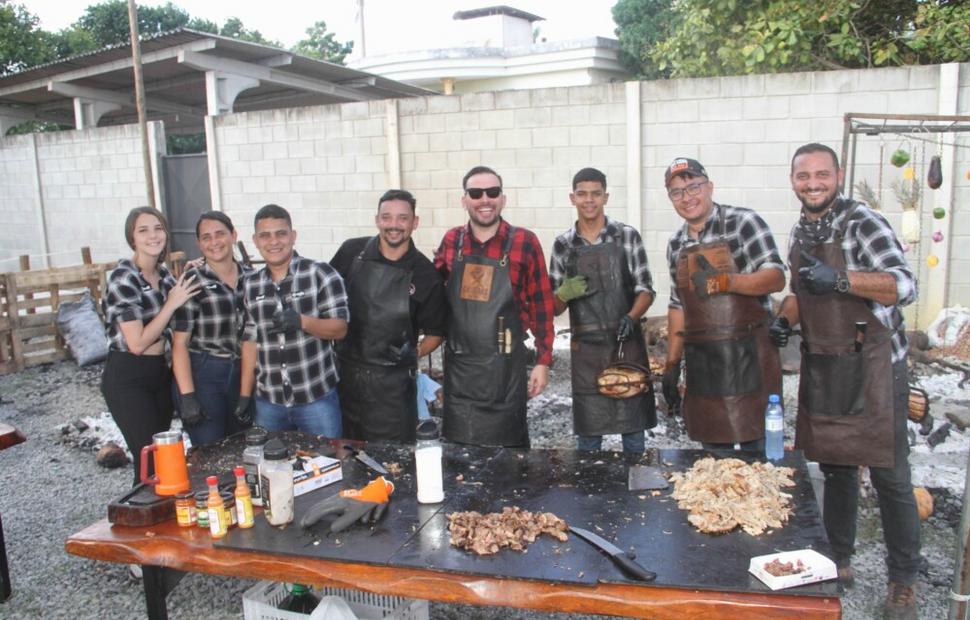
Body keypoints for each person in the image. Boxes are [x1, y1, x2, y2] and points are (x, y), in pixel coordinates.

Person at [770, 143, 920, 619]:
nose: (812, 183)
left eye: (821, 174)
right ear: (792, 179)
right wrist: (783, 319)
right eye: (803, 176)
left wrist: (842, 279)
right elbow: (800, 290)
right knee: (835, 469)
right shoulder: (801, 228)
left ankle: (903, 582)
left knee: (890, 477)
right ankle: (840, 558)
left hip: (875, 367)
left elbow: (903, 286)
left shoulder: (862, 222)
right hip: (826, 364)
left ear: (838, 175)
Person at [661, 158, 785, 450]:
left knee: (757, 455)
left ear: (709, 187)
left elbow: (775, 277)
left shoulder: (743, 223)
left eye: (693, 187)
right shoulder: (676, 243)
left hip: (750, 356)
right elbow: (678, 305)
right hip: (704, 360)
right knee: (714, 458)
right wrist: (671, 364)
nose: (687, 197)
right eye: (677, 192)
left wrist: (729, 282)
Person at [434, 166, 555, 448]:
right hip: (461, 371)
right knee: (460, 462)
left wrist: (543, 360)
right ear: (464, 200)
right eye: (476, 193)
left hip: (506, 372)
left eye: (493, 192)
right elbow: (432, 297)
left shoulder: (524, 241)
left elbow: (542, 304)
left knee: (510, 462)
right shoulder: (452, 241)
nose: (484, 199)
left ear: (503, 198)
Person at [549, 168, 656, 455]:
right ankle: (590, 494)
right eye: (582, 194)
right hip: (587, 352)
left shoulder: (627, 236)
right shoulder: (563, 245)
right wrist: (563, 293)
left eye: (596, 194)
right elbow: (553, 306)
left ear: (605, 197)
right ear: (572, 198)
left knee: (633, 431)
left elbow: (646, 289)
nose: (589, 200)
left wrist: (631, 317)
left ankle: (636, 488)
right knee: (589, 436)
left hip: (626, 346)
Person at [330, 189, 446, 442]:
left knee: (392, 462)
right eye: (387, 217)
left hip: (392, 389)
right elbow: (326, 299)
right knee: (343, 458)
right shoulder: (351, 253)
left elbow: (436, 333)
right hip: (344, 378)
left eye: (402, 218)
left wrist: (414, 352)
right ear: (377, 220)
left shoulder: (426, 275)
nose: (394, 225)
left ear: (415, 222)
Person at [101, 207, 200, 485]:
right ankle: (137, 516)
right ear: (132, 238)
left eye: (158, 228)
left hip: (159, 372)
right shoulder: (124, 277)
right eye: (143, 230)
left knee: (165, 457)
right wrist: (171, 303)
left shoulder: (164, 275)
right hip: (129, 376)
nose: (153, 236)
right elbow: (138, 343)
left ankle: (161, 515)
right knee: (148, 460)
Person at [238, 204, 349, 436]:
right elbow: (250, 343)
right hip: (269, 403)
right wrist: (244, 395)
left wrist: (303, 322)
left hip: (316, 399)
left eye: (281, 233)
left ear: (293, 236)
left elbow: (340, 329)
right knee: (272, 470)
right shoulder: (250, 284)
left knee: (325, 466)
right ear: (255, 241)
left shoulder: (321, 274)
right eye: (265, 235)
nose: (274, 241)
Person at [171, 211, 254, 446]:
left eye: (220, 234)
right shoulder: (192, 281)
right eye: (206, 237)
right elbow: (180, 343)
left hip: (242, 371)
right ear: (199, 243)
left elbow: (253, 337)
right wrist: (187, 396)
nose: (214, 242)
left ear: (233, 235)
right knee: (210, 450)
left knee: (241, 447)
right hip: (204, 372)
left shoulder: (252, 278)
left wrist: (247, 393)